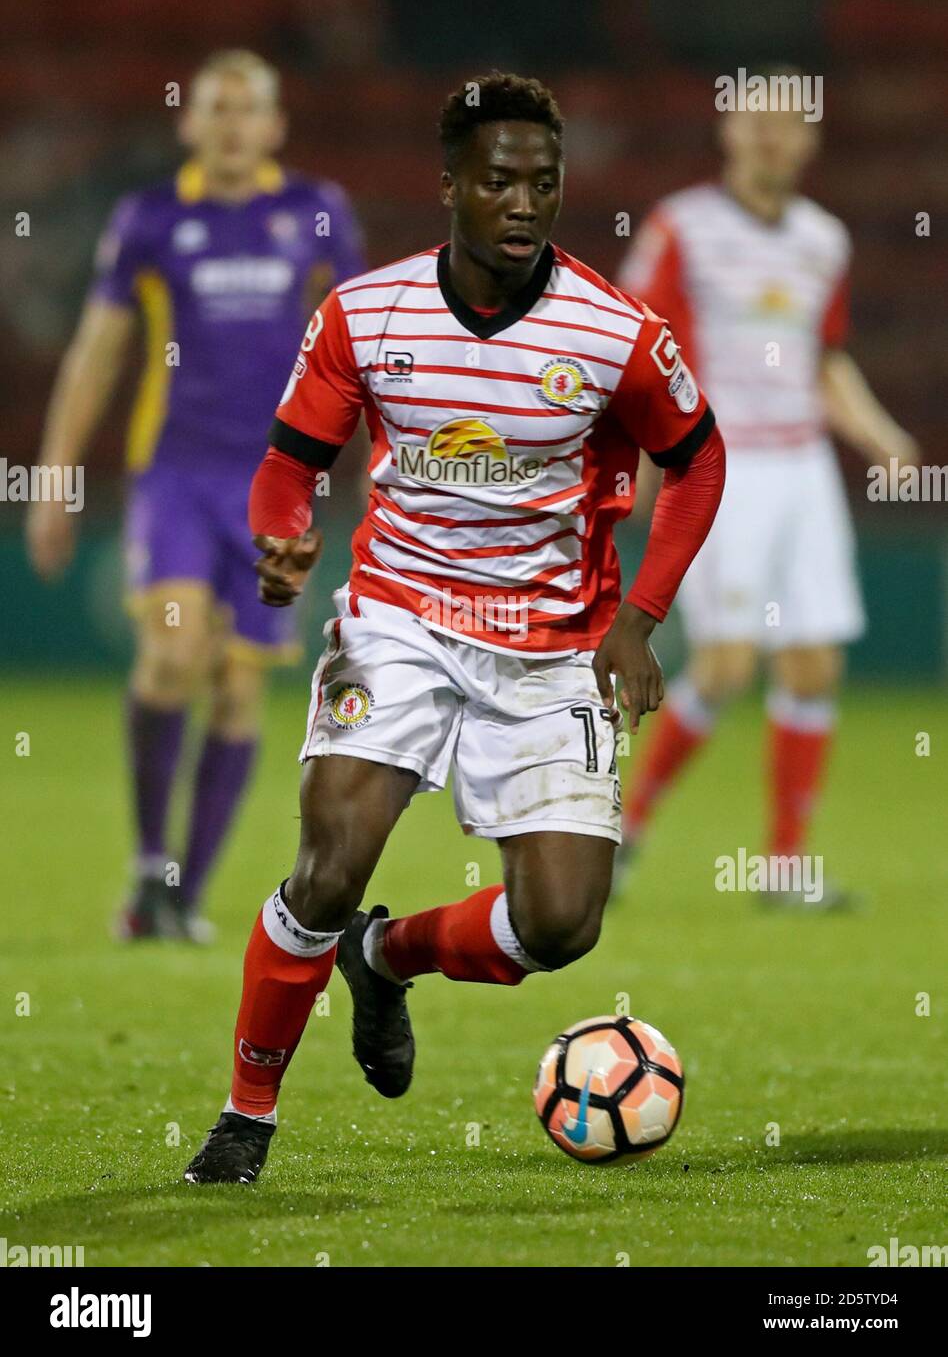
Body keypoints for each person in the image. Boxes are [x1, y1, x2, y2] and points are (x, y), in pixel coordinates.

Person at [183, 71, 726, 1185]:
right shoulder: (367, 314)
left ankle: (383, 959)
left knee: (562, 924)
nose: (524, 203)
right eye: (499, 181)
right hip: (401, 620)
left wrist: (642, 617)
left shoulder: (614, 334)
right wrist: (282, 536)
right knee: (327, 864)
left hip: (553, 647)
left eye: (543, 182)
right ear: (449, 188)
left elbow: (699, 459)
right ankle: (247, 1116)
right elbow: (291, 463)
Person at [26, 50, 365, 940]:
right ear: (189, 123)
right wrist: (54, 479)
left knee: (242, 691)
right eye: (215, 107)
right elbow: (97, 352)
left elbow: (362, 348)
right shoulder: (150, 219)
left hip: (276, 483)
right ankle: (148, 863)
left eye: (247, 108)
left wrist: (383, 467)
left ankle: (181, 896)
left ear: (274, 126)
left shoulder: (317, 214)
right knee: (175, 656)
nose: (230, 123)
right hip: (176, 474)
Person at [615, 68, 918, 904]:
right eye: (759, 122)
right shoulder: (684, 227)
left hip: (803, 469)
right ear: (731, 131)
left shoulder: (823, 239)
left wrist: (880, 434)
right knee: (725, 663)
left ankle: (785, 865)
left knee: (815, 665)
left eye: (790, 125)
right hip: (721, 465)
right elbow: (643, 352)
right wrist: (640, 459)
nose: (774, 137)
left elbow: (824, 360)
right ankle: (623, 830)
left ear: (811, 139)